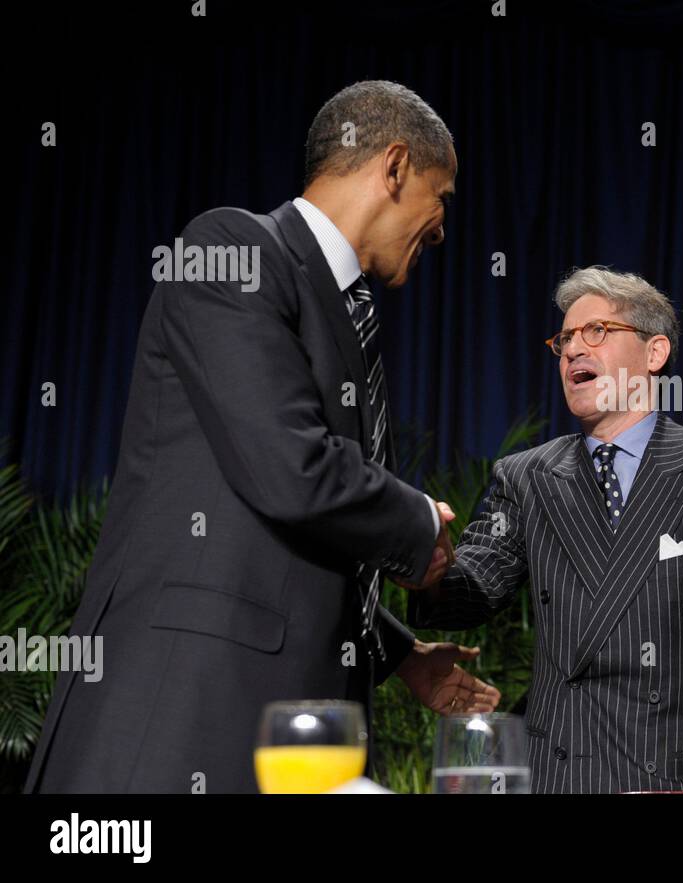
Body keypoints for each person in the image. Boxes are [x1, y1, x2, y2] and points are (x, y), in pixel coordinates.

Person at [27, 80, 498, 794]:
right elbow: (290, 466)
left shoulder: (347, 318)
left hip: (288, 734)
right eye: (445, 198)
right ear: (395, 166)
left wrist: (398, 654)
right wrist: (416, 523)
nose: (441, 228)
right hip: (187, 716)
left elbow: (296, 545)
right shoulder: (232, 248)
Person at [407, 267, 683, 792]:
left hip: (677, 778)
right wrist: (426, 558)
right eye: (563, 339)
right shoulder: (526, 476)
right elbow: (469, 593)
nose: (571, 351)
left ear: (654, 354)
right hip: (558, 775)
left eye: (597, 332)